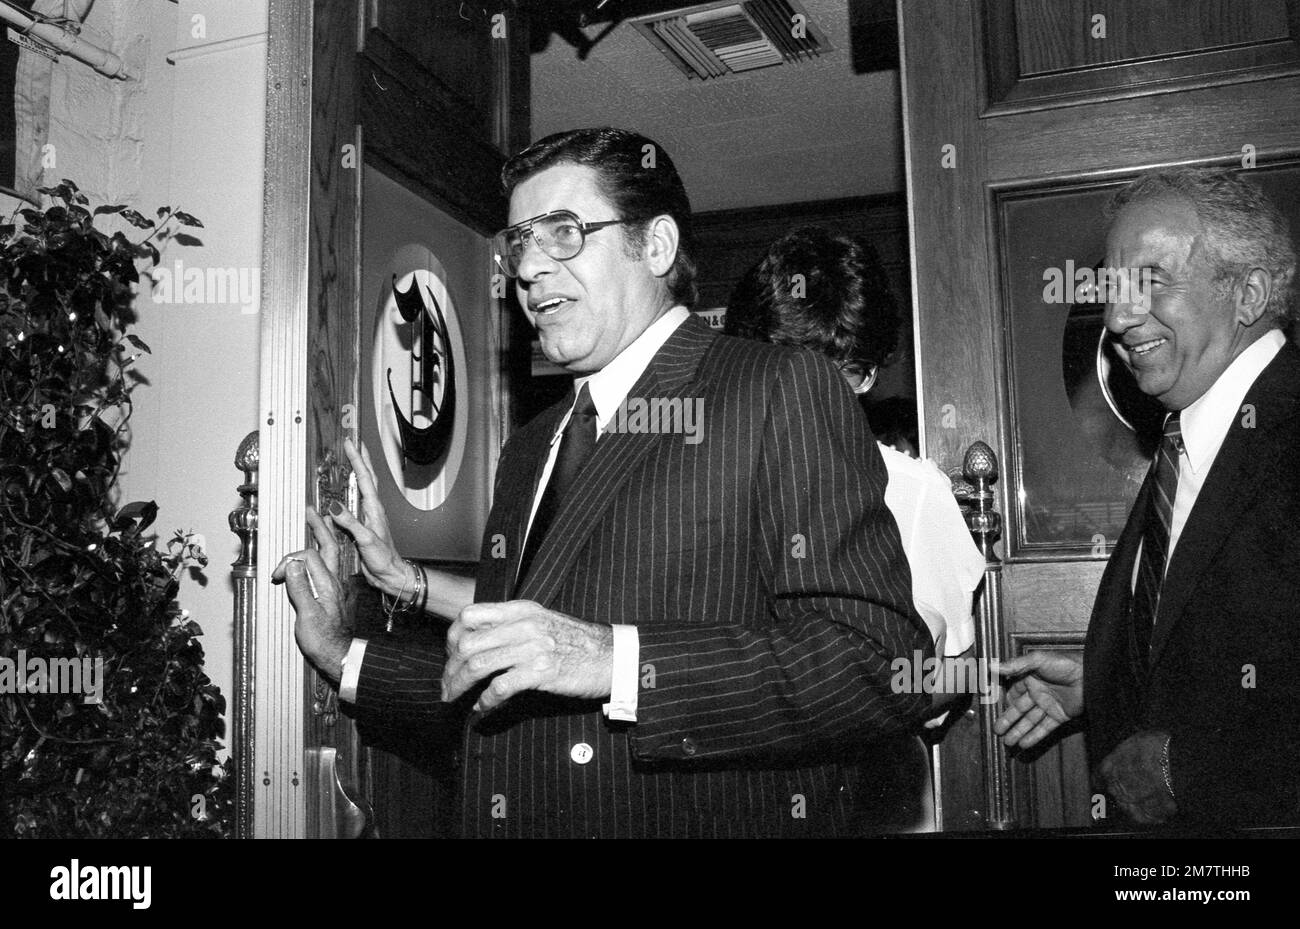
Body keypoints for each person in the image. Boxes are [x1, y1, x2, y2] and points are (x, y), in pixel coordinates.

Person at [274, 127, 931, 838]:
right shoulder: (528, 448)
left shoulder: (775, 387)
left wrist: (614, 660)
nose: (526, 268)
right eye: (519, 242)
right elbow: (490, 672)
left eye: (563, 232)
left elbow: (882, 661)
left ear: (655, 246)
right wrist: (345, 653)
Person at [995, 167, 1300, 827]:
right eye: (1112, 288)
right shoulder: (1187, 436)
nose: (1117, 316)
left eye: (1153, 281)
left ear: (1248, 294)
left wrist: (1188, 770)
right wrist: (1105, 684)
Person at [724, 228, 987, 832]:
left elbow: (959, 667)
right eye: (789, 373)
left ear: (868, 377)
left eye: (845, 375)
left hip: (869, 803)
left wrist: (879, 688)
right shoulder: (697, 482)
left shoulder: (917, 491)